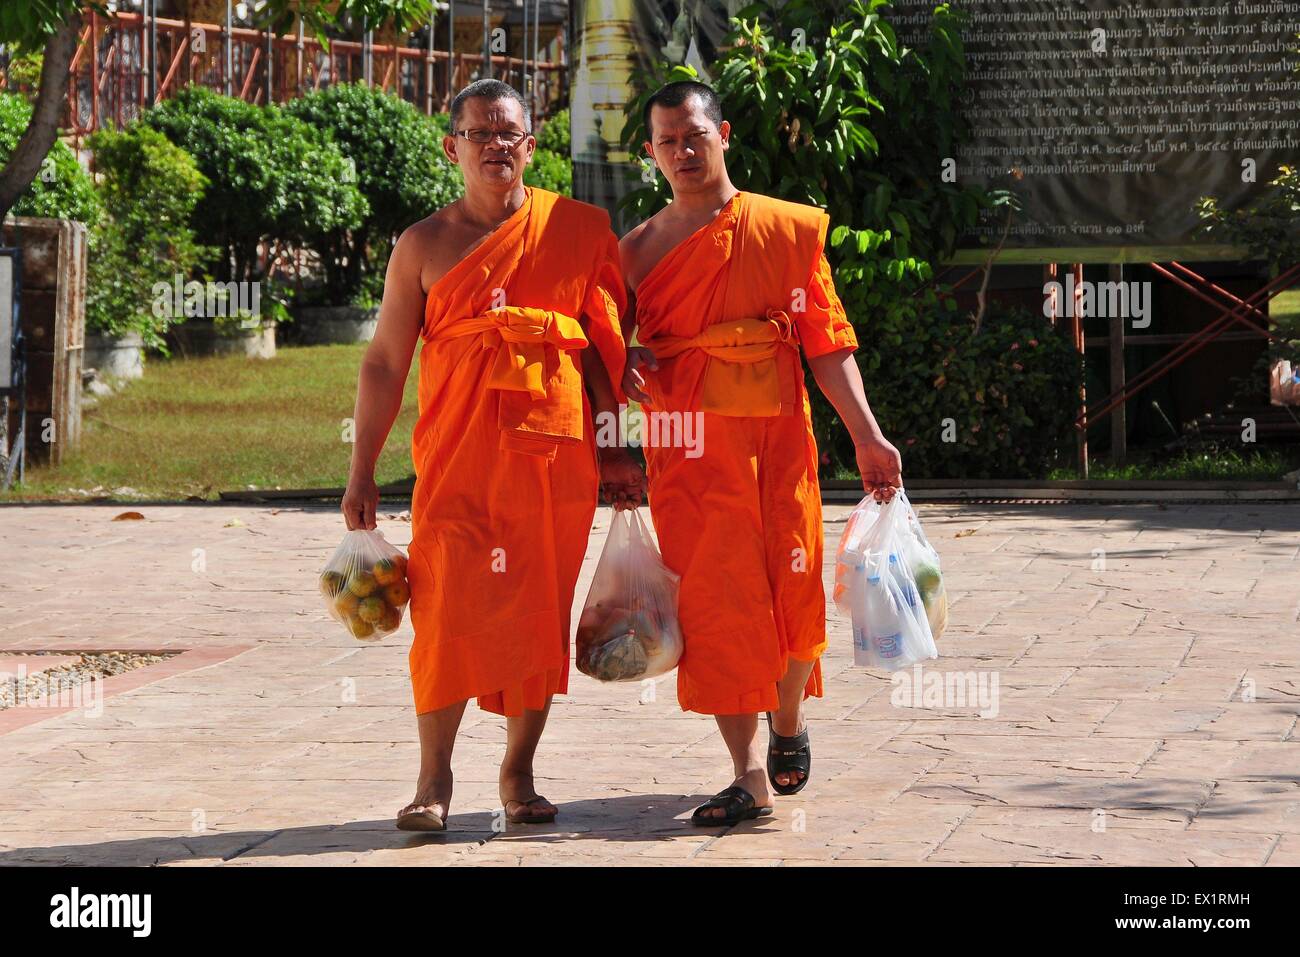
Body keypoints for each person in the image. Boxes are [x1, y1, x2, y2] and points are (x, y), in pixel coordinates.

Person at [342, 79, 644, 832]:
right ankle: (432, 776)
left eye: (510, 133)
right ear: (453, 147)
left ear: (530, 146)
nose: (496, 146)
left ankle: (518, 772)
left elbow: (605, 353)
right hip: (456, 463)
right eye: (481, 134)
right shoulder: (424, 245)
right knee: (443, 608)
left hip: (554, 458)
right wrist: (361, 470)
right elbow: (383, 362)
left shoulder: (575, 229)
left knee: (538, 614)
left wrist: (618, 450)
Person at [619, 80, 903, 825]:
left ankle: (787, 723)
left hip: (777, 439)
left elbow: (827, 342)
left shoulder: (781, 230)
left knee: (792, 585)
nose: (683, 150)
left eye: (695, 135)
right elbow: (610, 349)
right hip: (688, 449)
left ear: (724, 133)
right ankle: (746, 772)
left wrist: (867, 433)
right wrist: (620, 369)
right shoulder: (638, 251)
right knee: (714, 603)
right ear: (651, 152)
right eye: (667, 141)